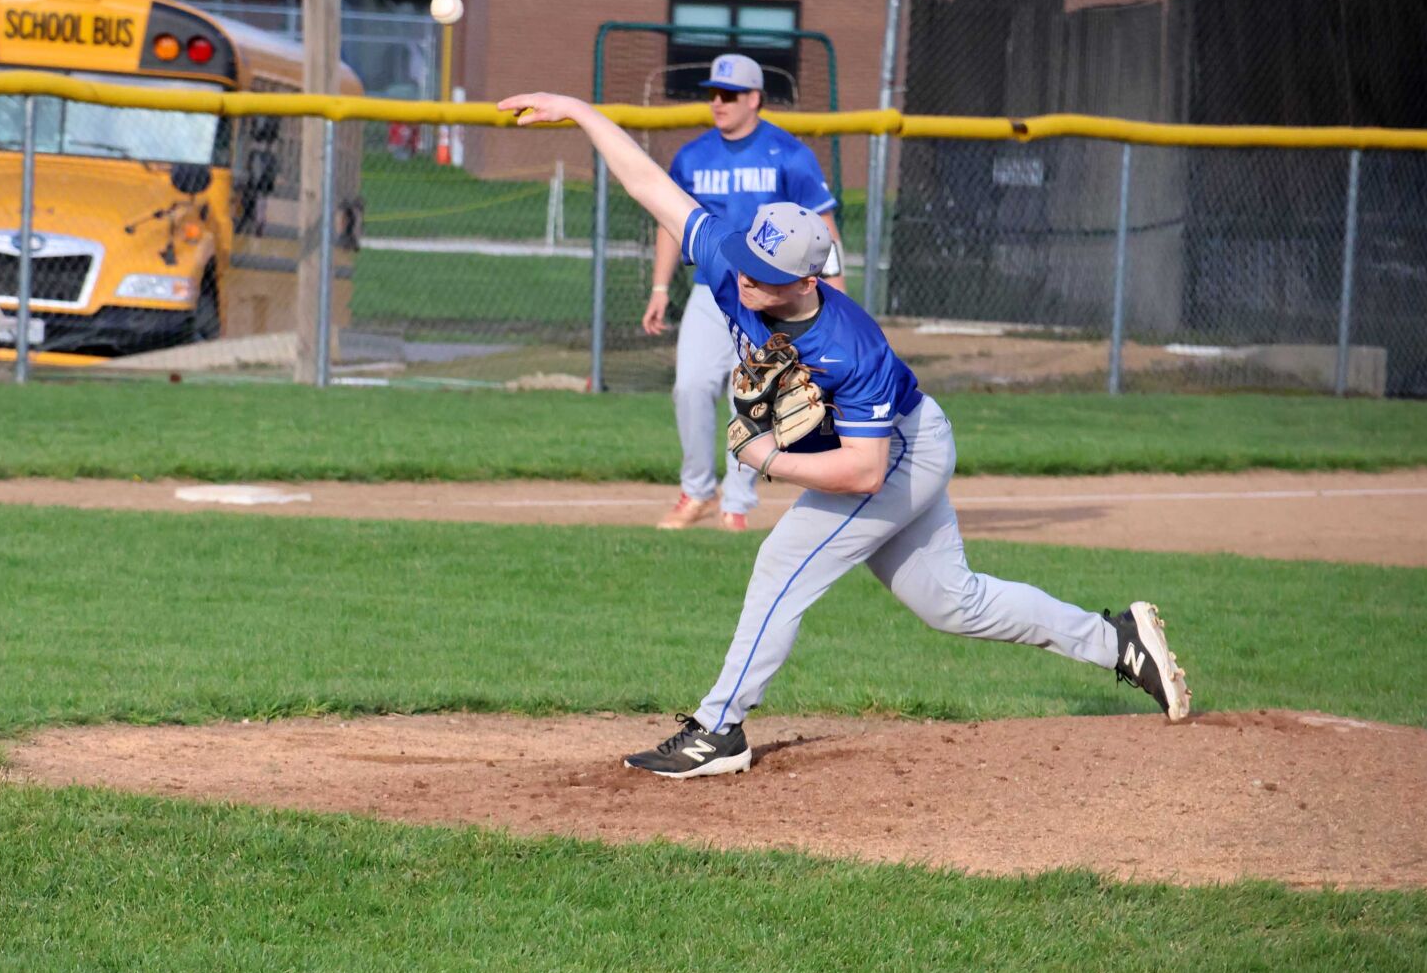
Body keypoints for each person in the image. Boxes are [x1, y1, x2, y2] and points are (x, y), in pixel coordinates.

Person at [497, 90, 1193, 780]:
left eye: (766, 278)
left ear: (808, 279)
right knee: (953, 602)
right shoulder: (729, 258)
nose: (745, 283)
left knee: (781, 563)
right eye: (746, 266)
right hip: (885, 446)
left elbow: (864, 472)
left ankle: (719, 729)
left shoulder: (849, 346)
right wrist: (581, 111)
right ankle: (1119, 643)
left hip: (901, 451)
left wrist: (766, 456)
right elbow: (647, 184)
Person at [645, 54, 846, 534]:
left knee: (755, 396)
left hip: (770, 299)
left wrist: (836, 296)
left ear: (754, 98)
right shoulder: (692, 157)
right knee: (690, 387)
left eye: (730, 94)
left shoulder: (789, 153)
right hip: (710, 290)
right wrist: (659, 287)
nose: (718, 102)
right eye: (713, 93)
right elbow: (673, 225)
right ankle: (697, 491)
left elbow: (822, 227)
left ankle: (736, 503)